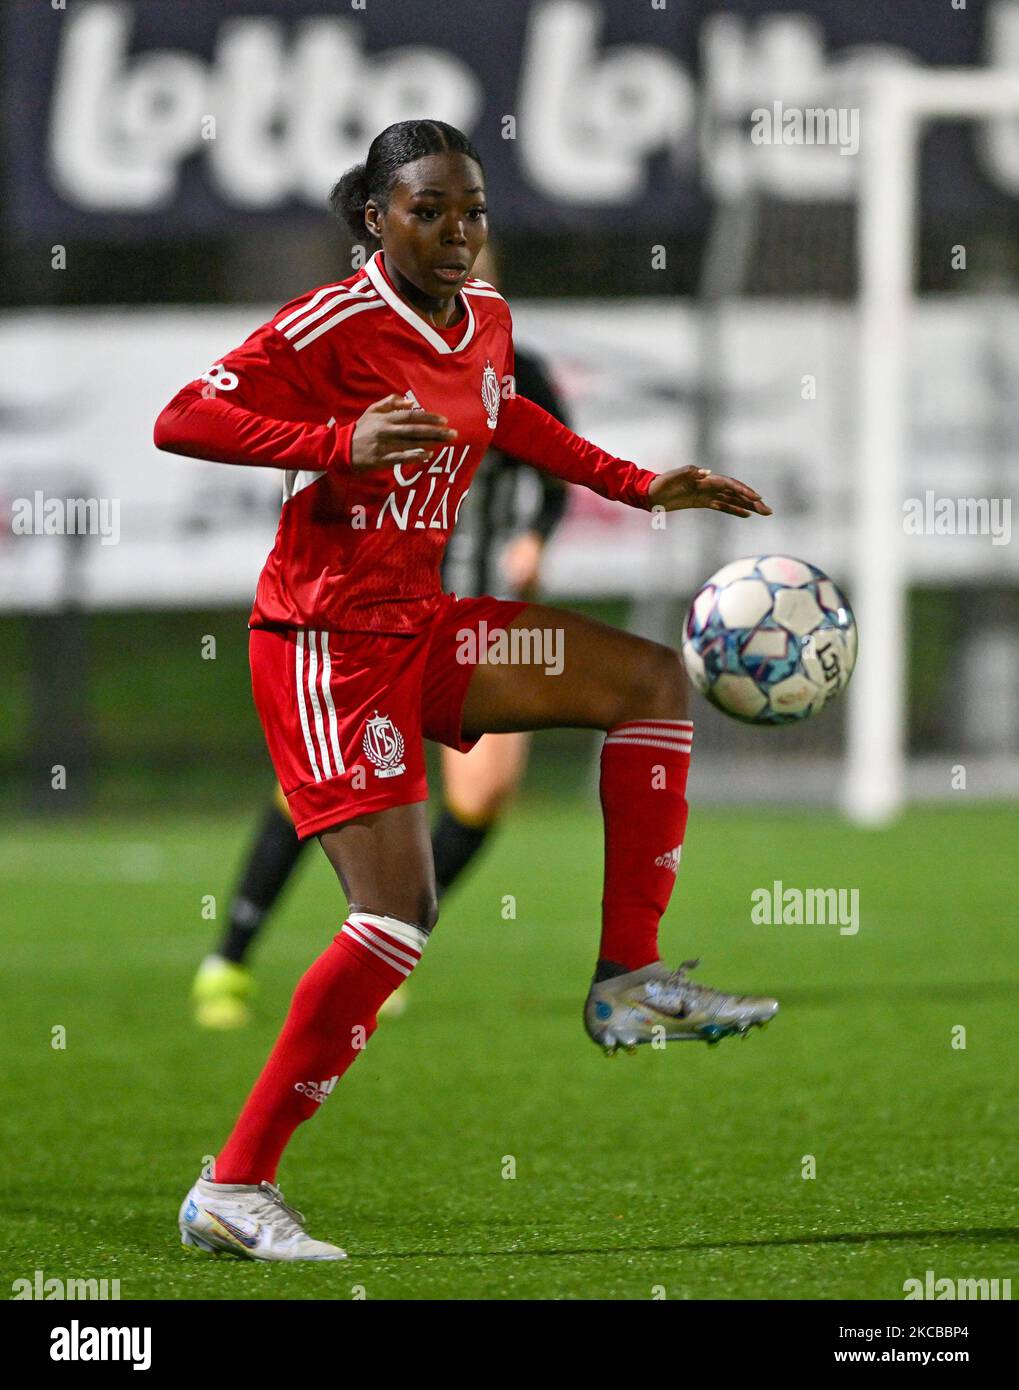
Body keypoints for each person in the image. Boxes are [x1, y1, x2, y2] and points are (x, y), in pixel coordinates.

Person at [154, 119, 777, 1263]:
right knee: (397, 914)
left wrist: (639, 484)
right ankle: (233, 1188)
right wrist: (337, 439)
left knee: (647, 681)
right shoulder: (330, 320)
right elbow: (181, 417)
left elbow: (504, 412)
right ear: (374, 219)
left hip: (424, 627)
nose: (455, 231)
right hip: (325, 643)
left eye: (472, 209)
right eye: (427, 209)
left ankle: (624, 977)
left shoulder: (484, 320)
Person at [190, 246, 570, 1030]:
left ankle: (385, 940)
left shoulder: (515, 365)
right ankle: (229, 958)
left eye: (475, 253)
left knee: (484, 794)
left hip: (480, 611)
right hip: (376, 611)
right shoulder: (356, 353)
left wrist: (534, 534)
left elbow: (557, 475)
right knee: (324, 794)